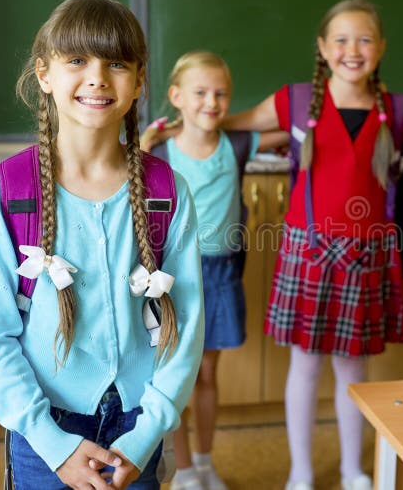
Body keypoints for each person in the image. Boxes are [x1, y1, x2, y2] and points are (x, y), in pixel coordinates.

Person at [0, 0, 204, 490]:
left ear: (139, 81)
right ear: (44, 74)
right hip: (43, 426)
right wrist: (51, 442)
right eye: (77, 60)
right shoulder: (6, 192)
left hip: (139, 426)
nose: (97, 77)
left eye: (116, 63)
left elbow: (184, 328)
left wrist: (147, 434)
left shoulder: (167, 192)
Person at [220, 0, 403, 490]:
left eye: (364, 39)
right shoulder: (295, 100)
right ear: (322, 48)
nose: (353, 49)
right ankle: (301, 473)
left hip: (367, 254)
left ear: (381, 47)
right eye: (341, 39)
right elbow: (227, 122)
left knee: (352, 369)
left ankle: (351, 470)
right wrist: (169, 130)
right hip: (309, 250)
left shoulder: (399, 109)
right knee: (304, 366)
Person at [142, 51, 285, 490]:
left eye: (221, 94)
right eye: (200, 93)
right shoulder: (161, 151)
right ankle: (184, 469)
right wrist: (146, 142)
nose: (212, 102)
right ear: (176, 96)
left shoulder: (236, 144)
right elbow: (134, 183)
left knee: (206, 375)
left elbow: (290, 129)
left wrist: (236, 122)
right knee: (176, 377)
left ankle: (204, 463)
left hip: (222, 275)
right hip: (176, 277)